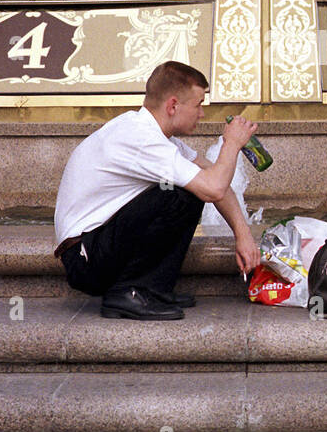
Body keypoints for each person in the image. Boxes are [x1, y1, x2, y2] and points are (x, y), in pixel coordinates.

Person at [54, 61, 261, 321]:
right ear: (173, 105)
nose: (202, 115)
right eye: (198, 105)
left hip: (98, 246)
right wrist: (231, 144)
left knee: (188, 189)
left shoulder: (158, 137)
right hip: (85, 260)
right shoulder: (140, 137)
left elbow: (215, 183)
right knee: (178, 193)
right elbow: (213, 188)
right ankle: (128, 292)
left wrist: (243, 236)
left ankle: (153, 289)